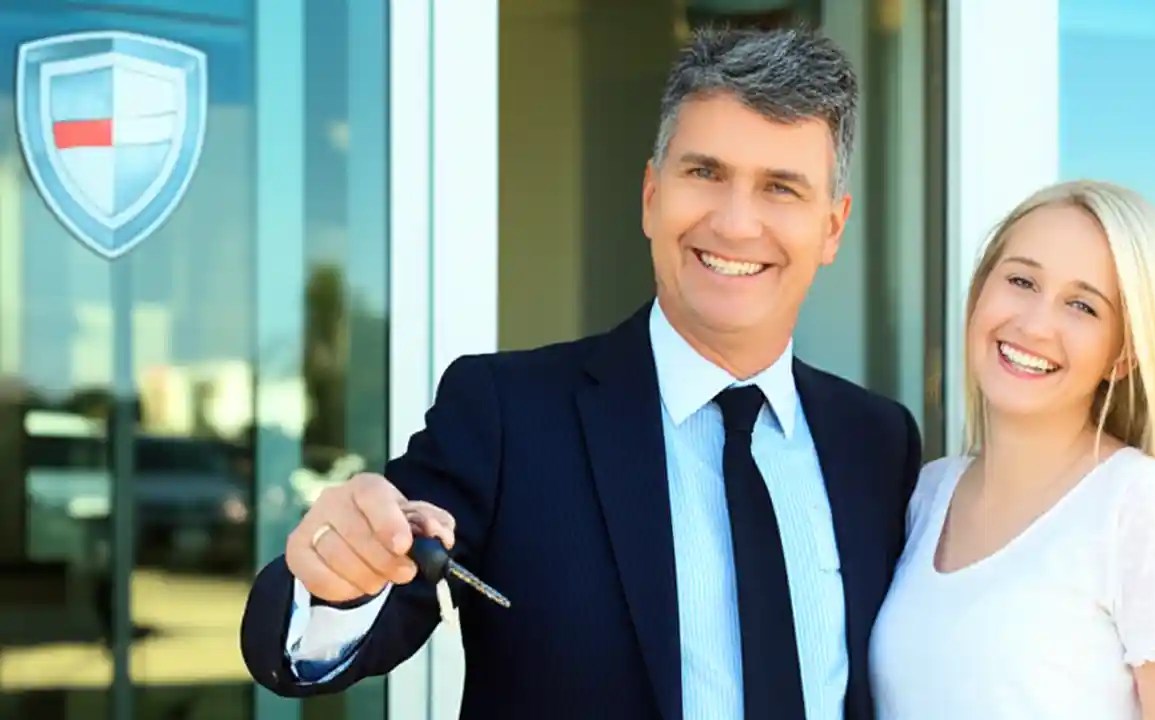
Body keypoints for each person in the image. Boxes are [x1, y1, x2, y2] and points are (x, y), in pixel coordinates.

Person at [240, 26, 921, 720]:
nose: (736, 224)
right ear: (651, 195)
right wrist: (337, 579)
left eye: (780, 188)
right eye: (705, 173)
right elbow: (343, 616)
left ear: (832, 228)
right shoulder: (507, 417)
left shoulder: (878, 443)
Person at [868, 179, 1155, 719]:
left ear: (1123, 356)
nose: (1035, 324)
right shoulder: (927, 495)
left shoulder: (1143, 510)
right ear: (980, 292)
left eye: (1082, 306)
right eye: (1021, 280)